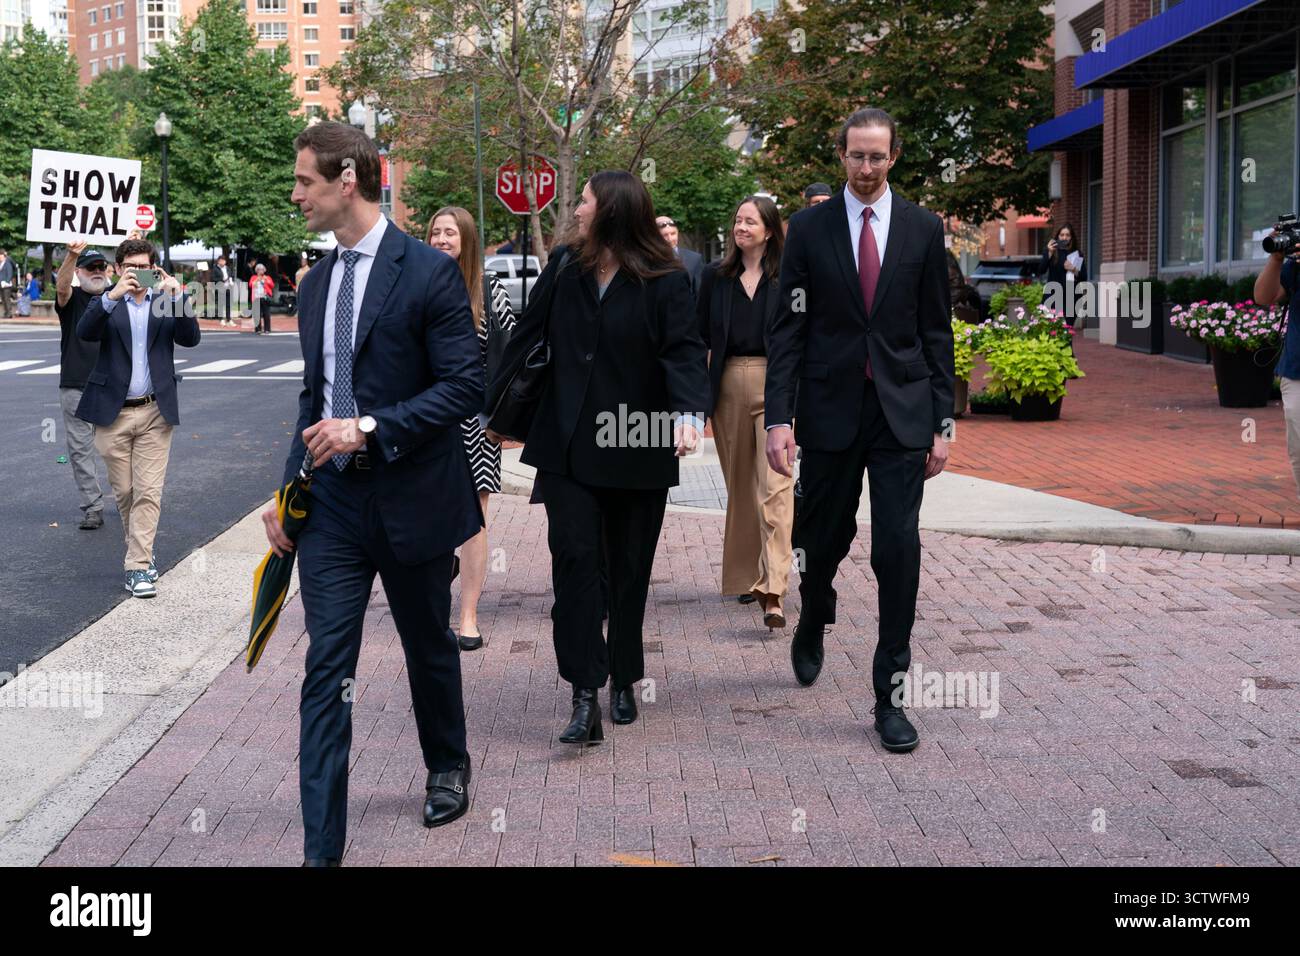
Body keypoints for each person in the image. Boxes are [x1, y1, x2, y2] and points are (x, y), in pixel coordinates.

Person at [263, 121, 482, 866]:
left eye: (304, 182)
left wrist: (370, 426)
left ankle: (447, 763)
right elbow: (312, 397)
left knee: (428, 645)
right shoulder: (317, 280)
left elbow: (464, 387)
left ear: (347, 180)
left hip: (415, 497)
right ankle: (322, 851)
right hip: (331, 512)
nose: (295, 195)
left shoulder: (426, 271)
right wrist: (289, 489)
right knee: (328, 665)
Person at [486, 170, 710, 745]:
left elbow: (684, 351)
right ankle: (584, 689)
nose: (576, 209)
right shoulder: (565, 266)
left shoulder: (664, 277)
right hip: (568, 443)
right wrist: (490, 402)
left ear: (611, 210)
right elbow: (526, 336)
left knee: (629, 570)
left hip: (638, 439)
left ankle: (625, 677)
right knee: (576, 563)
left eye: (584, 201)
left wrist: (688, 414)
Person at [765, 107, 954, 754]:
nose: (867, 168)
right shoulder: (810, 231)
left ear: (893, 156)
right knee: (824, 537)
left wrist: (943, 420)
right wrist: (780, 418)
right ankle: (814, 608)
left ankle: (890, 698)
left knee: (897, 549)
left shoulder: (924, 230)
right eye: (856, 156)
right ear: (841, 156)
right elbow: (788, 329)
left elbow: (936, 332)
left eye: (877, 156)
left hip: (901, 412)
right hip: (829, 408)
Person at [75, 238, 200, 598]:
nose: (137, 274)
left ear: (155, 268)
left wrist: (178, 297)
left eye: (144, 267)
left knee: (148, 491)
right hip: (111, 413)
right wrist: (112, 296)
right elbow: (85, 332)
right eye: (130, 268)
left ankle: (138, 567)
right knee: (126, 493)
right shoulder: (108, 302)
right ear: (118, 269)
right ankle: (142, 551)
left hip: (154, 411)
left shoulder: (165, 302)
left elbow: (191, 339)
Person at [697, 194, 793, 628]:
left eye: (750, 222)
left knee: (775, 487)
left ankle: (773, 588)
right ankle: (742, 577)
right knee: (739, 486)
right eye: (737, 220)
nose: (741, 228)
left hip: (777, 384)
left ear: (769, 231)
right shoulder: (715, 278)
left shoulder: (788, 279)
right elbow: (698, 338)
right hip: (728, 384)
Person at [426, 205, 517, 651]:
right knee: (430, 515)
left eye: (450, 233)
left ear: (466, 240)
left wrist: (500, 419)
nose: (442, 239)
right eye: (435, 232)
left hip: (473, 423)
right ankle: (435, 594)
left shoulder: (487, 288)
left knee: (474, 519)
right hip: (425, 421)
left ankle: (467, 616)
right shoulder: (414, 287)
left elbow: (513, 354)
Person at [54, 243, 108, 531]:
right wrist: (72, 254)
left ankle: (131, 500)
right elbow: (61, 288)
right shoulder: (72, 298)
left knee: (120, 449)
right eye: (91, 267)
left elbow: (149, 281)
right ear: (80, 272)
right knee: (80, 451)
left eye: (102, 267)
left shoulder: (118, 297)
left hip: (113, 386)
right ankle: (93, 507)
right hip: (76, 385)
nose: (97, 272)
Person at [1255, 222, 1300, 495]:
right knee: (1298, 450)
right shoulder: (1295, 266)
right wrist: (1276, 258)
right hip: (1296, 370)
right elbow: (1264, 296)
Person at [656, 215, 704, 299]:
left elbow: (700, 296)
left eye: (673, 233)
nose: (670, 238)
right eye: (664, 235)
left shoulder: (694, 259)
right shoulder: (645, 260)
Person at [1038, 223, 1086, 289]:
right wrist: (1049, 253)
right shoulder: (1052, 251)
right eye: (1062, 235)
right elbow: (1041, 270)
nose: (1064, 238)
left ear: (1071, 237)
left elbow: (1083, 277)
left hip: (1071, 295)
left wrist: (1073, 269)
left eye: (1067, 235)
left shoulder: (1077, 253)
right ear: (1058, 236)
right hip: (1053, 294)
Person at [249, 262, 274, 334]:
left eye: (262, 270)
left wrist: (266, 280)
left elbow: (272, 285)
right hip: (256, 297)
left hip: (265, 297)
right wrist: (257, 279)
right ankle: (258, 329)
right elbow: (251, 285)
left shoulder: (267, 277)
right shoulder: (253, 277)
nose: (261, 271)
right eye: (259, 270)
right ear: (256, 271)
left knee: (266, 314)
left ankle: (267, 329)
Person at [212, 255, 235, 325]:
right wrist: (222, 280)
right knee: (221, 304)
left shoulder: (227, 268)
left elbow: (231, 275)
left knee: (228, 304)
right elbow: (213, 279)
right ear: (218, 261)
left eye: (224, 260)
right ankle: (221, 319)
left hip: (228, 287)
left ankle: (229, 319)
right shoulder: (215, 269)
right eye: (221, 260)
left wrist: (231, 280)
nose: (223, 262)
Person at [0, 249, 16, 318]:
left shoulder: (7, 263)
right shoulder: (1, 264)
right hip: (1, 284)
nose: (0, 257)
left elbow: (10, 273)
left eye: (1, 256)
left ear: (4, 256)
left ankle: (9, 313)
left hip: (6, 285)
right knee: (3, 299)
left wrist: (6, 281)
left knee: (7, 299)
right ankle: (6, 313)